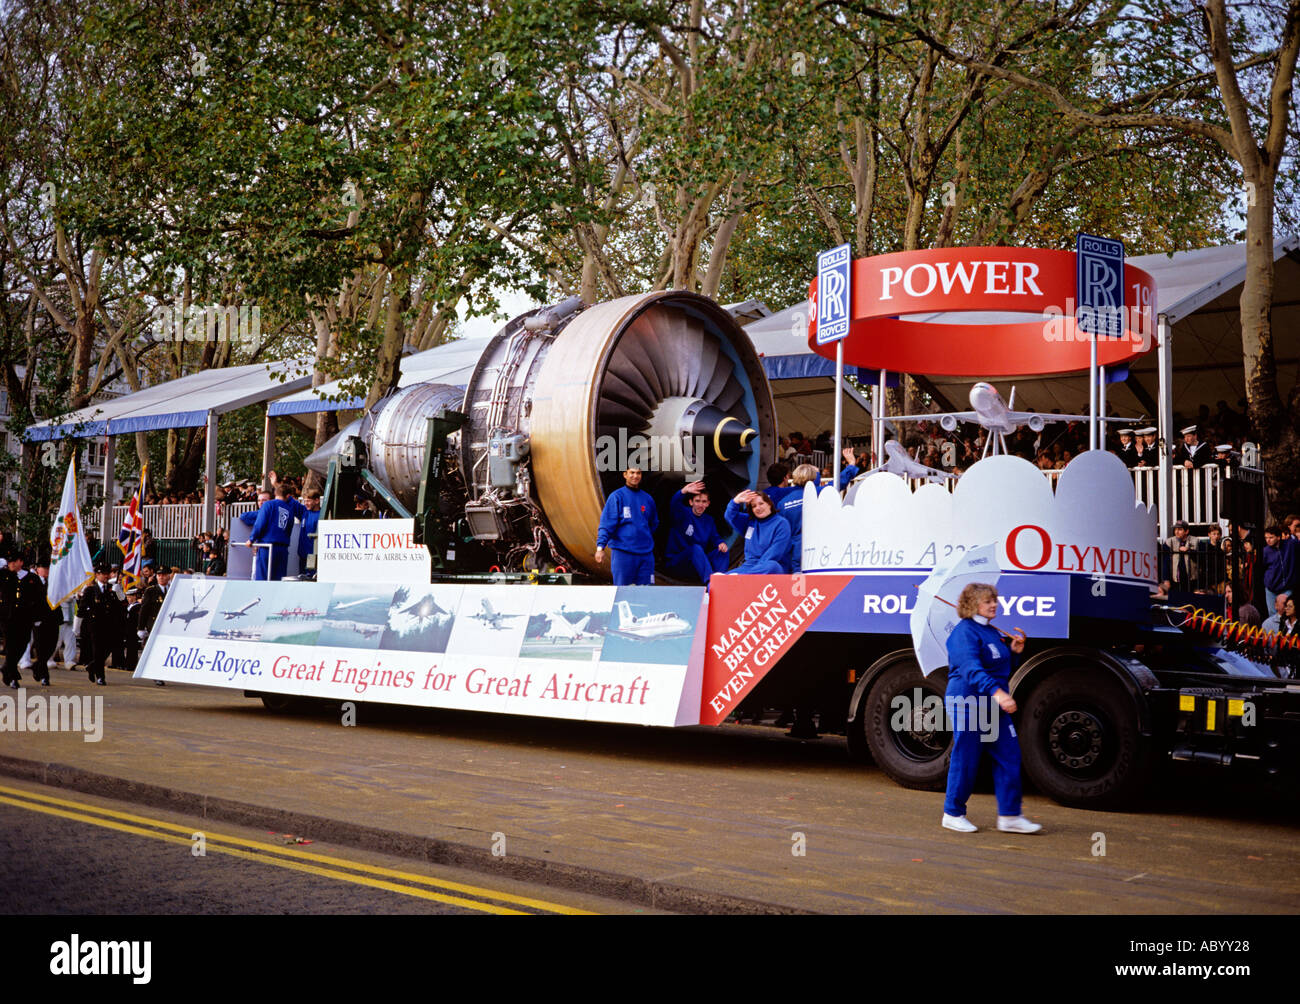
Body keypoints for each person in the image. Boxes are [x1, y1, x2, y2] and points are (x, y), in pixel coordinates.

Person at [941, 583, 1041, 834]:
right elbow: (970, 669)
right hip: (968, 701)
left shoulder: (991, 632)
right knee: (967, 759)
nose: (994, 604)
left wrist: (1014, 653)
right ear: (973, 604)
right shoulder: (963, 633)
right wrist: (999, 694)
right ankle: (952, 813)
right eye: (988, 601)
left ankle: (1009, 816)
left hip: (991, 703)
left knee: (1009, 756)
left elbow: (997, 667)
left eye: (994, 600)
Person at [594, 466, 658, 585]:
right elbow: (607, 524)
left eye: (638, 473)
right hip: (623, 553)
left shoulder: (648, 499)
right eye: (632, 472)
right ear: (625, 474)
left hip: (645, 554)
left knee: (647, 592)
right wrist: (600, 548)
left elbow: (653, 523)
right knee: (622, 592)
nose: (635, 476)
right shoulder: (617, 496)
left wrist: (642, 537)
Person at [664, 481, 728, 585]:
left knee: (722, 551)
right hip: (677, 563)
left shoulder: (709, 520)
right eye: (697, 501)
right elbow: (674, 504)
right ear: (691, 502)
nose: (700, 505)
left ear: (708, 504)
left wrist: (720, 543)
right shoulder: (683, 514)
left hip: (697, 565)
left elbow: (715, 537)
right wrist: (683, 491)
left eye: (703, 501)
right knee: (696, 549)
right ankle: (711, 583)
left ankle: (721, 581)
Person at [723, 490, 791, 575]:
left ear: (769, 504)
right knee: (714, 583)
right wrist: (735, 501)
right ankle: (740, 578)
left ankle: (740, 578)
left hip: (770, 565)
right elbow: (730, 516)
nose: (758, 508)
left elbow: (775, 553)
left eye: (761, 503)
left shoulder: (781, 523)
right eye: (754, 506)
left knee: (772, 566)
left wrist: (750, 571)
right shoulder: (749, 521)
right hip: (749, 566)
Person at [1, 551, 42, 688]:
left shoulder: (31, 578)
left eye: (14, 561)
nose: (11, 564)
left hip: (25, 617)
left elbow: (38, 599)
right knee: (11, 645)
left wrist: (37, 616)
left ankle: (7, 667)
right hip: (7, 617)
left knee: (22, 644)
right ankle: (12, 675)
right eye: (9, 561)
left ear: (21, 562)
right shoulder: (3, 576)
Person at [244, 484, 300, 581]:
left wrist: (251, 539)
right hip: (283, 549)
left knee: (262, 578)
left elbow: (260, 524)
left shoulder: (268, 505)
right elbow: (289, 530)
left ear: (275, 493)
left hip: (267, 547)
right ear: (288, 496)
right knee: (278, 580)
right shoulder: (290, 510)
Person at [772, 463, 819, 572]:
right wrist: (851, 466)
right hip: (812, 547)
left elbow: (780, 529)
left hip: (791, 549)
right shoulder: (817, 494)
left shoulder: (783, 502)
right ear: (813, 477)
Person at [78, 563, 121, 685]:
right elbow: (82, 609)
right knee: (98, 650)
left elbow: (120, 605)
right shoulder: (91, 590)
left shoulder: (112, 590)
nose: (106, 576)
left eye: (107, 574)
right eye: (103, 574)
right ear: (97, 575)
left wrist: (119, 593)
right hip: (95, 625)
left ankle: (92, 666)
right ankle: (100, 676)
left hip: (109, 625)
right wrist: (78, 625)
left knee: (108, 649)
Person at [1262, 525, 1297, 613]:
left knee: (1287, 611)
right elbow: (1262, 568)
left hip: (1287, 587)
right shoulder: (1265, 551)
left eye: (1271, 537)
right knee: (1273, 613)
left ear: (1278, 537)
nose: (1268, 540)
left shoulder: (1290, 545)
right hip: (1271, 589)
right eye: (1266, 538)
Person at [1166, 520, 1198, 592]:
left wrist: (1188, 551)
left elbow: (1200, 559)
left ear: (1186, 531)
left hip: (1191, 580)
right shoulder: (1170, 542)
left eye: (1180, 529)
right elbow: (1165, 561)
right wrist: (1166, 579)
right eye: (1175, 529)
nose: (1176, 532)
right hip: (1175, 580)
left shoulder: (1195, 541)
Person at [297, 488, 322, 575]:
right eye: (304, 501)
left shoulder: (322, 515)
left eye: (308, 501)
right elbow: (290, 501)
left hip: (315, 558)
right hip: (303, 557)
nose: (305, 503)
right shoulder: (305, 512)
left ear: (317, 500)